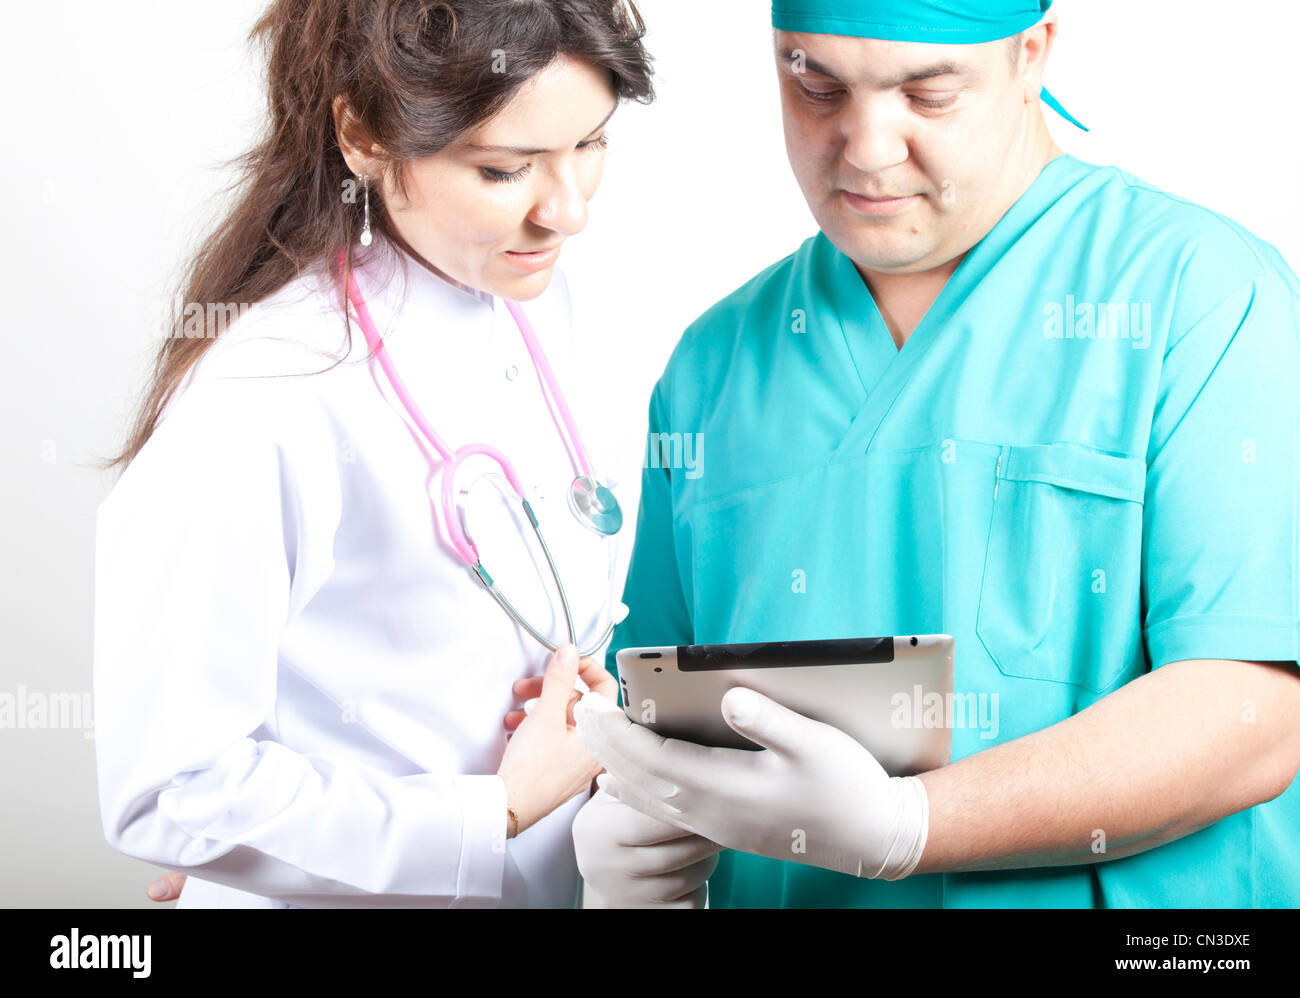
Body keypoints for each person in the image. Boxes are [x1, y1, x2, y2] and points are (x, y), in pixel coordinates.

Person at [570, 0, 1300, 908]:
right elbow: (657, 717)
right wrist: (627, 849)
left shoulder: (1202, 295)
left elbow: (1253, 713)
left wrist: (908, 827)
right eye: (817, 85)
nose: (867, 147)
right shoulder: (714, 366)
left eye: (929, 92)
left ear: (1032, 55)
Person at [93, 0, 653, 908]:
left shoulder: (547, 306)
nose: (569, 211)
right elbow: (171, 791)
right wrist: (494, 811)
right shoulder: (261, 398)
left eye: (590, 144)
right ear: (360, 133)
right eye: (506, 169)